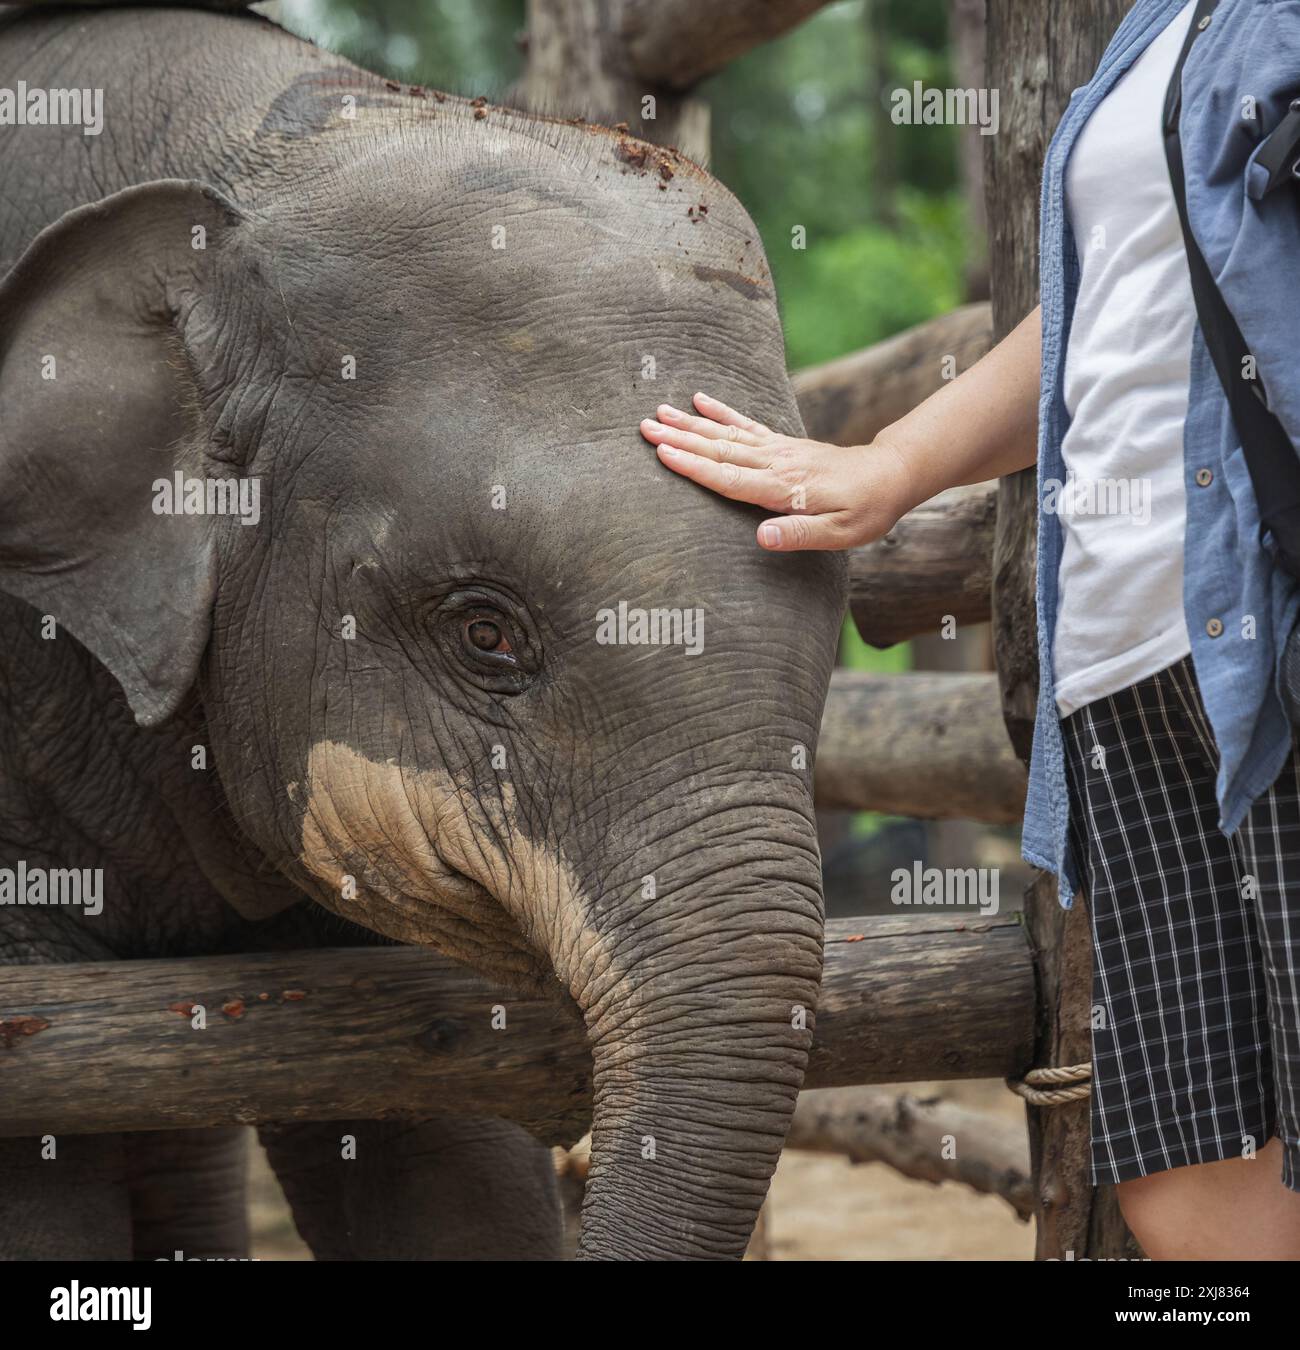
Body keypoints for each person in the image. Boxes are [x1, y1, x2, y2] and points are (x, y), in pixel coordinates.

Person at [640, 0, 1300, 1260]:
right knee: (1189, 1176)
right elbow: (1107, 297)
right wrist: (888, 465)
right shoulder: (1158, 23)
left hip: (1267, 640)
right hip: (1122, 663)